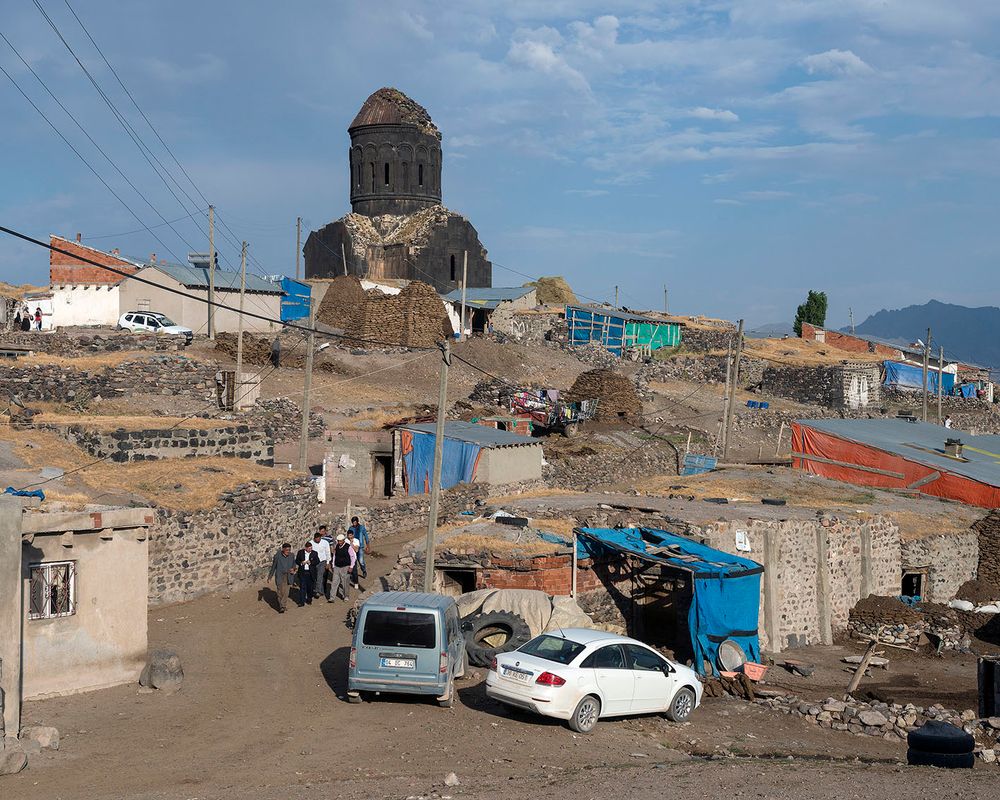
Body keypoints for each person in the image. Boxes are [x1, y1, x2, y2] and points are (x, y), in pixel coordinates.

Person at [266, 542, 296, 613]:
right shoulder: (277, 556)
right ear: (283, 549)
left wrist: (293, 569)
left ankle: (282, 606)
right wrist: (270, 576)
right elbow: (273, 567)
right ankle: (282, 605)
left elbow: (294, 564)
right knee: (280, 591)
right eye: (287, 550)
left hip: (288, 576)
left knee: (286, 592)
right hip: (280, 576)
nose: (288, 551)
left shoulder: (292, 555)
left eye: (289, 550)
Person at [329, 533, 356, 602]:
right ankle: (332, 597)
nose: (339, 542)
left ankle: (346, 596)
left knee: (345, 583)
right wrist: (333, 565)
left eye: (340, 541)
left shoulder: (348, 547)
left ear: (343, 540)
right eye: (338, 541)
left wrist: (351, 566)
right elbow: (335, 556)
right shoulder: (337, 546)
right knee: (334, 582)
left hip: (345, 566)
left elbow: (352, 557)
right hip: (337, 567)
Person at [295, 540, 320, 606]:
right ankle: (301, 602)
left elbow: (317, 561)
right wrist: (301, 563)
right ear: (305, 548)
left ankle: (309, 599)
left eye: (311, 548)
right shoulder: (300, 552)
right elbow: (297, 560)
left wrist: (311, 563)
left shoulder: (314, 553)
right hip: (303, 572)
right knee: (302, 587)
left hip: (310, 573)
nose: (310, 549)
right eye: (309, 548)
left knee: (310, 587)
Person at [311, 529, 332, 601]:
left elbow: (327, 552)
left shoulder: (325, 543)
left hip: (322, 561)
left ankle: (317, 591)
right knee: (315, 577)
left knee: (320, 575)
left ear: (320, 538)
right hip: (314, 563)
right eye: (316, 539)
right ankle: (321, 590)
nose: (318, 540)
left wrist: (328, 562)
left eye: (319, 539)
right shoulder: (311, 543)